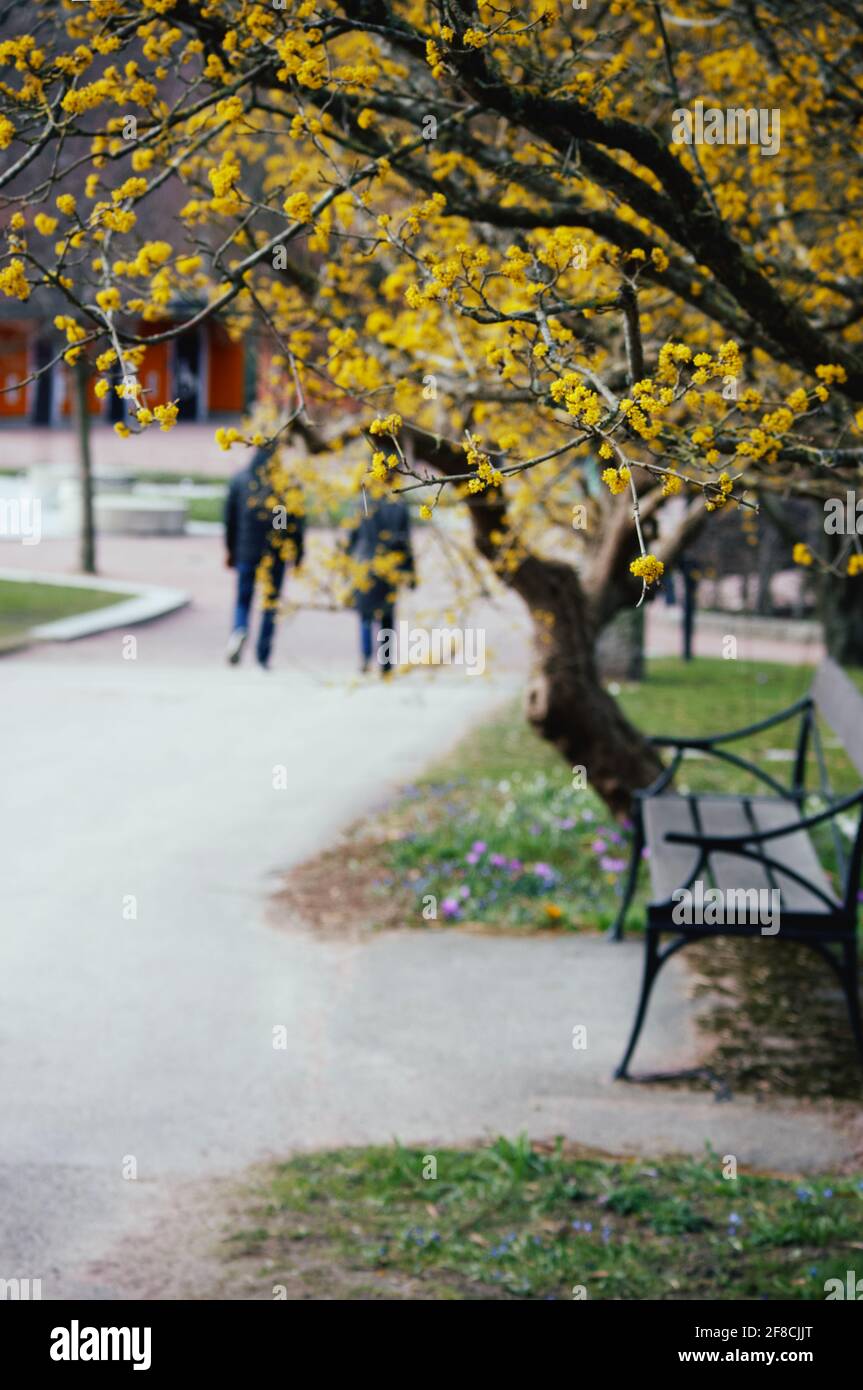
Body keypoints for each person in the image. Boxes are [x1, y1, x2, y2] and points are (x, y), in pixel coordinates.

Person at [224, 444, 305, 669]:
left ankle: (239, 630)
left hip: (246, 551)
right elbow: (291, 523)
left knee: (243, 598)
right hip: (274, 553)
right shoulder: (284, 484)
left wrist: (231, 550)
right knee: (270, 603)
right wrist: (297, 552)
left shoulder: (240, 480)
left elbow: (231, 521)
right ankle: (263, 654)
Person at [345, 485, 415, 674]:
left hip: (365, 563)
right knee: (387, 617)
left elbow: (352, 536)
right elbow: (405, 541)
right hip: (390, 565)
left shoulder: (362, 502)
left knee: (365, 615)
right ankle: (386, 664)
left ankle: (366, 657)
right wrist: (410, 571)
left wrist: (345, 564)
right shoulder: (398, 505)